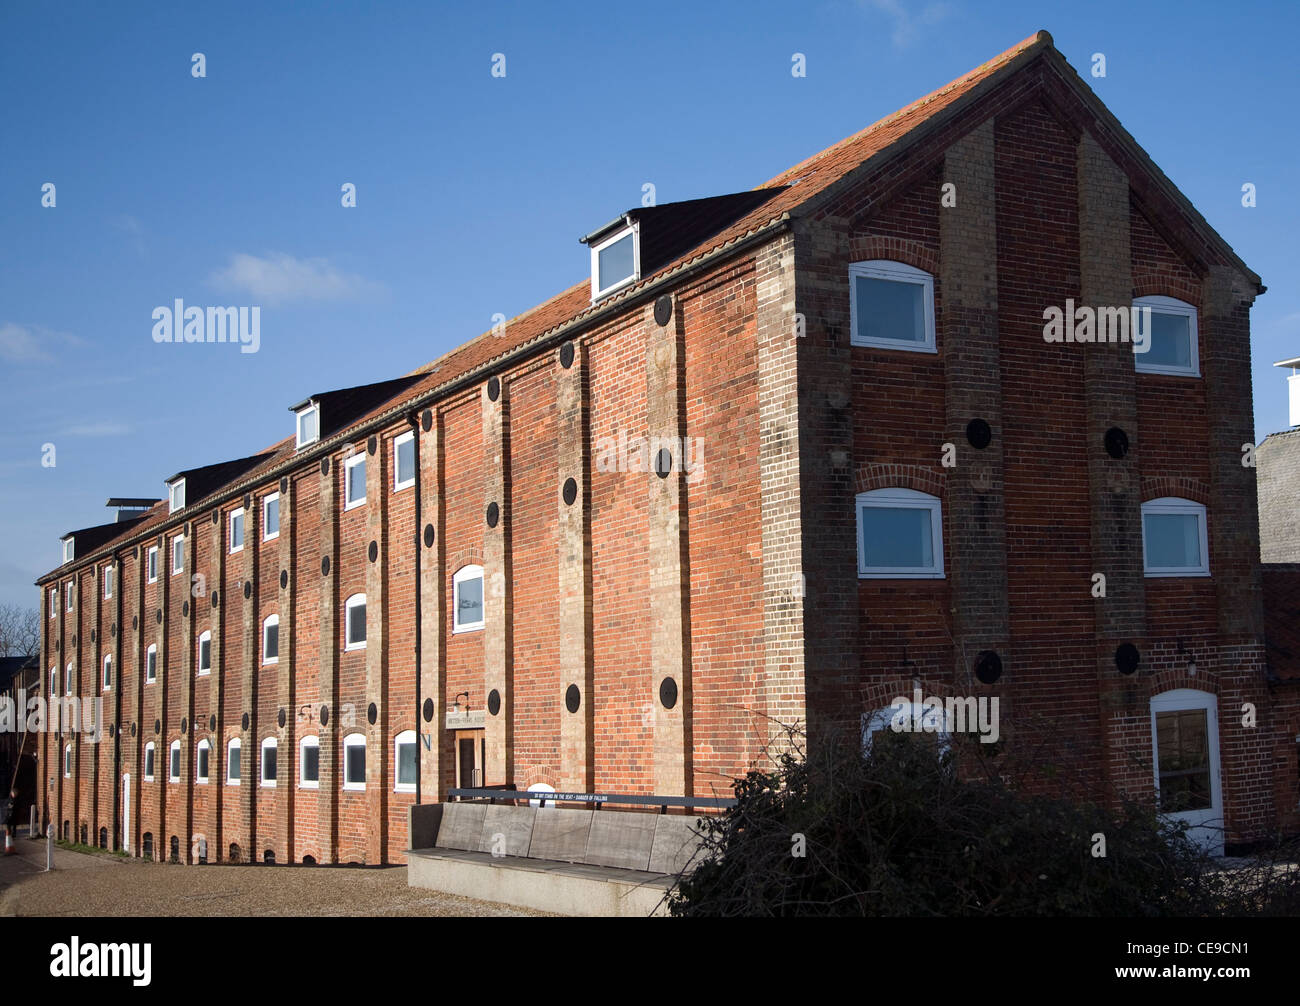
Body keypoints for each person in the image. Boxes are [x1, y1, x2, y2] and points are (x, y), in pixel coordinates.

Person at [2, 787, 16, 854]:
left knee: (10, 831)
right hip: (9, 818)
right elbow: (8, 809)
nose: (15, 794)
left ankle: (10, 846)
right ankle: (9, 847)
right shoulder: (10, 800)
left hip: (11, 818)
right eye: (14, 793)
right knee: (9, 830)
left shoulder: (14, 800)